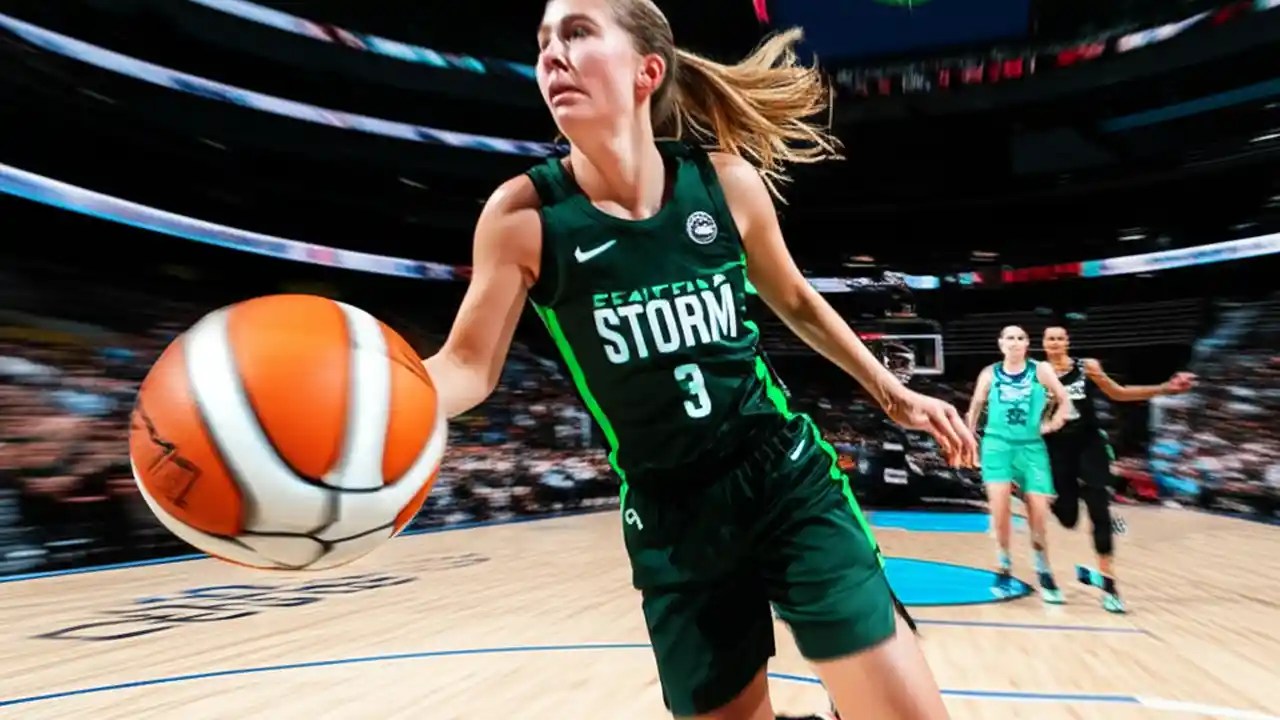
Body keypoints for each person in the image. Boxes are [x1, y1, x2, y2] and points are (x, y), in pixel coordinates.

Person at [422, 1, 979, 717]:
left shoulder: (724, 184)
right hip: (671, 514)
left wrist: (893, 392)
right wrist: (376, 401)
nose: (552, 55)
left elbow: (796, 300)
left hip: (780, 474)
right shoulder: (523, 215)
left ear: (646, 71)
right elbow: (467, 367)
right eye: (543, 42)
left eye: (578, 32)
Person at [1041, 325, 1195, 613]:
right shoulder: (1036, 373)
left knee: (1099, 509)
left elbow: (1119, 393)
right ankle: (1062, 513)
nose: (1056, 342)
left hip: (1089, 445)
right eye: (1051, 338)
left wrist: (1165, 388)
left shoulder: (1087, 367)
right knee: (1068, 518)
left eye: (1060, 338)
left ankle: (1110, 587)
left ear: (1067, 342)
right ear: (1044, 343)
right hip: (1056, 449)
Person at [965, 326, 1072, 604]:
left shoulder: (1041, 370)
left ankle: (1043, 566)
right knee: (1000, 510)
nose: (1014, 342)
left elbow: (1064, 399)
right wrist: (968, 441)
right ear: (1001, 343)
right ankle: (1003, 564)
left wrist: (1054, 422)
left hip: (1031, 447)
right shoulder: (989, 374)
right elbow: (975, 408)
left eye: (1020, 338)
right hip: (997, 445)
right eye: (1009, 338)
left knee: (1038, 511)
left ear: (1027, 344)